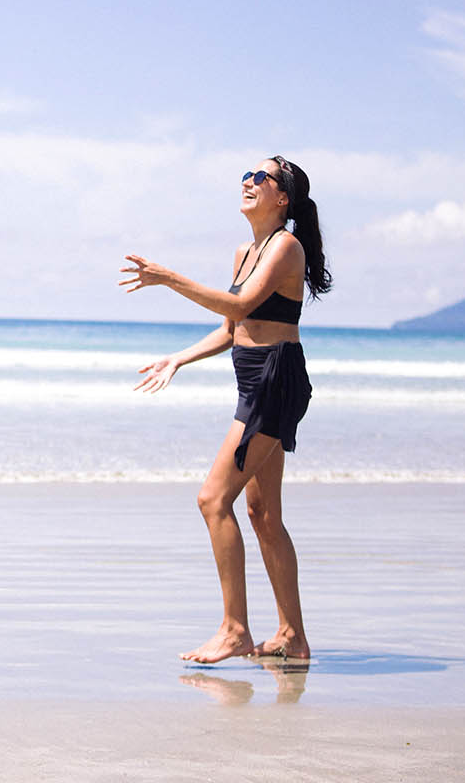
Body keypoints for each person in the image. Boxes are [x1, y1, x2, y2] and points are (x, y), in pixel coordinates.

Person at [119, 156, 331, 664]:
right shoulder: (247, 250)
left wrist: (169, 278)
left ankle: (235, 630)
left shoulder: (285, 246)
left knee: (213, 500)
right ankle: (292, 638)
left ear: (283, 198)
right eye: (246, 175)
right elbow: (235, 329)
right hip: (257, 379)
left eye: (261, 178)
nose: (248, 182)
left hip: (275, 383)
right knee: (262, 513)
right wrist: (180, 357)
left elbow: (238, 308)